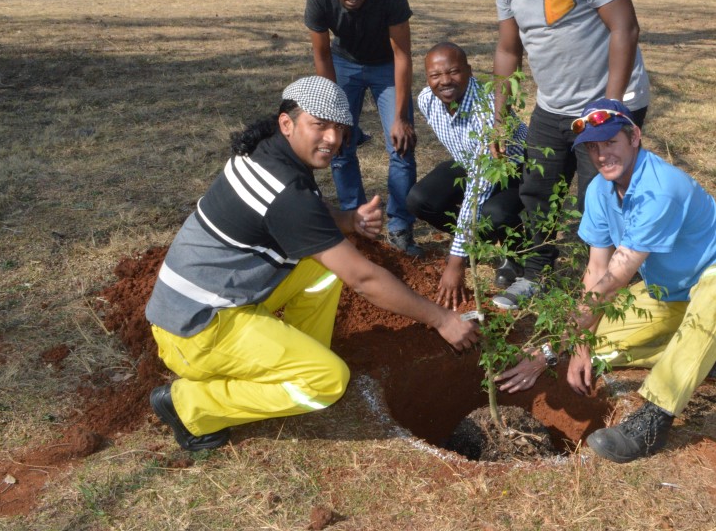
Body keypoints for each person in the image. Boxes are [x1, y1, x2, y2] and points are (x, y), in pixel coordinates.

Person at [145, 76, 479, 451]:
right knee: (327, 382)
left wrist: (350, 221)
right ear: (286, 123)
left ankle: (302, 352)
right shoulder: (287, 193)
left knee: (322, 267)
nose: (333, 139)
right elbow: (363, 279)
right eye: (319, 125)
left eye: (339, 128)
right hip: (197, 333)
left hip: (196, 306)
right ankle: (189, 405)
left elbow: (308, 215)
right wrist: (442, 318)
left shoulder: (265, 154)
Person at [494, 98, 716, 464]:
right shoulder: (598, 191)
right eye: (593, 147)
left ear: (634, 136)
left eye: (610, 142)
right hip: (670, 295)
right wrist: (568, 348)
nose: (602, 154)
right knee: (599, 352)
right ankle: (715, 345)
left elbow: (616, 279)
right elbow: (595, 272)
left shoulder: (660, 189)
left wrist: (558, 348)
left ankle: (655, 418)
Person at [489, 0, 651, 309]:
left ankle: (602, 285)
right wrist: (500, 116)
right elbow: (509, 50)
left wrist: (610, 111)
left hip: (610, 100)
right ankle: (536, 275)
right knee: (537, 191)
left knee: (596, 199)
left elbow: (625, 28)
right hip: (552, 106)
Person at [305, 0, 422, 257]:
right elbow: (322, 55)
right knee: (339, 144)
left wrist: (400, 116)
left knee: (401, 144)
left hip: (387, 66)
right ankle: (357, 221)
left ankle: (400, 226)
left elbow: (402, 56)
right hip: (344, 65)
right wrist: (334, 116)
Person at [406, 42, 529, 309]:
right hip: (471, 161)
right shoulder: (426, 99)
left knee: (490, 212)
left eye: (453, 72)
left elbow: (476, 192)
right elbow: (471, 166)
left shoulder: (486, 109)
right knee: (419, 199)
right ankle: (483, 244)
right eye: (435, 75)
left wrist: (455, 262)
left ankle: (518, 251)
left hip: (514, 166)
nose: (444, 81)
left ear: (469, 71)